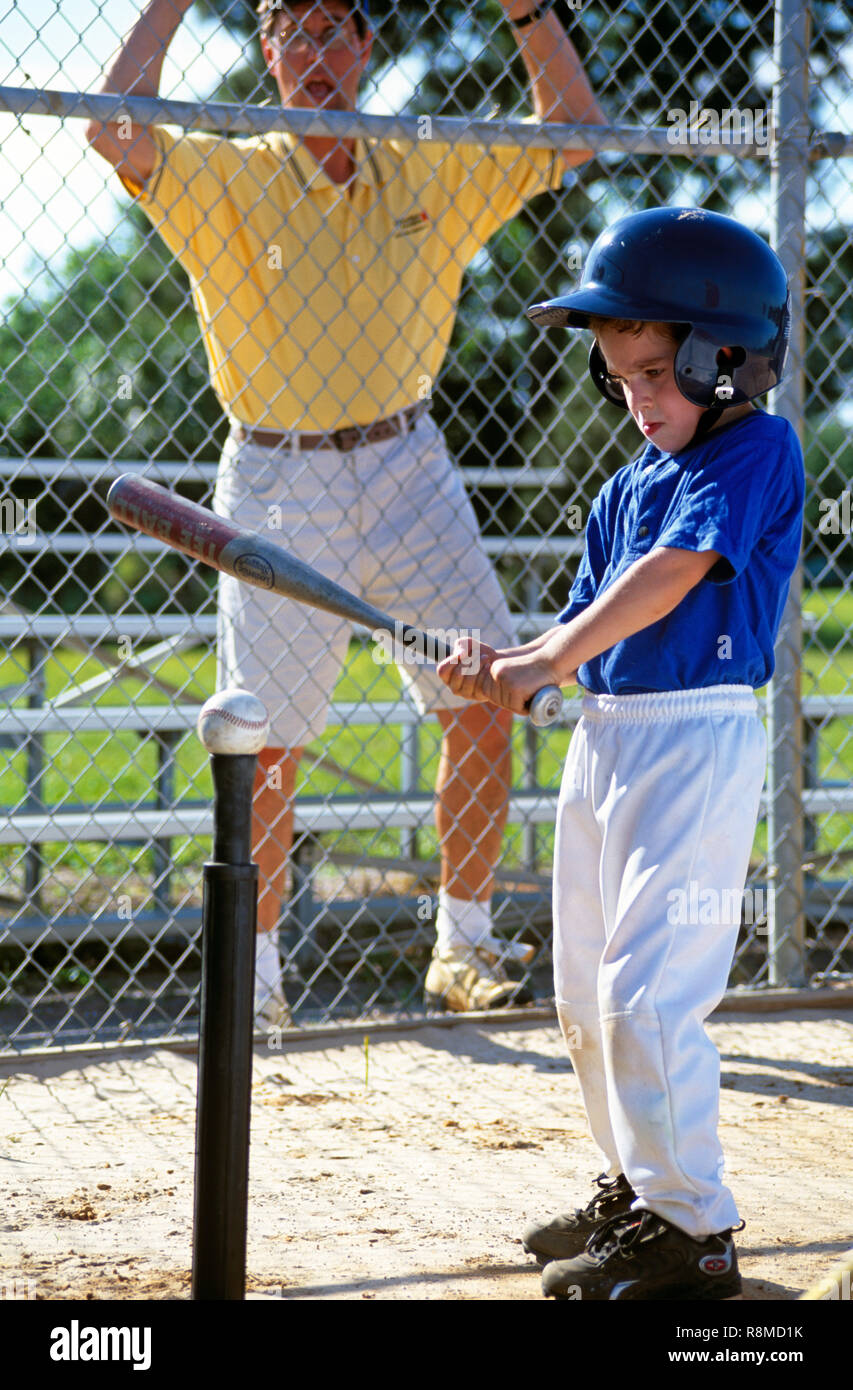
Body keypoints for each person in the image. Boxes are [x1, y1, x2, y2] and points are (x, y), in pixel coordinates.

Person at [86, 0, 605, 1024]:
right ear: (270, 50)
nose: (318, 56)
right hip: (280, 475)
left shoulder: (424, 162)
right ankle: (259, 984)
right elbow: (110, 126)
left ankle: (461, 945)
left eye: (338, 32)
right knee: (266, 742)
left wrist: (525, 11)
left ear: (366, 49)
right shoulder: (227, 171)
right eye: (297, 33)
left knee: (486, 692)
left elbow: (575, 130)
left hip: (409, 459)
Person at [438, 206, 805, 1299]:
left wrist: (544, 654)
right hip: (607, 743)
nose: (639, 403)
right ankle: (639, 1191)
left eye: (657, 374)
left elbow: (675, 574)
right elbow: (587, 632)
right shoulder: (621, 489)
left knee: (648, 993)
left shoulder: (755, 450)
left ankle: (697, 1232)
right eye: (620, 380)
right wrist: (502, 661)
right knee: (586, 993)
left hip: (694, 741)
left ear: (726, 362)